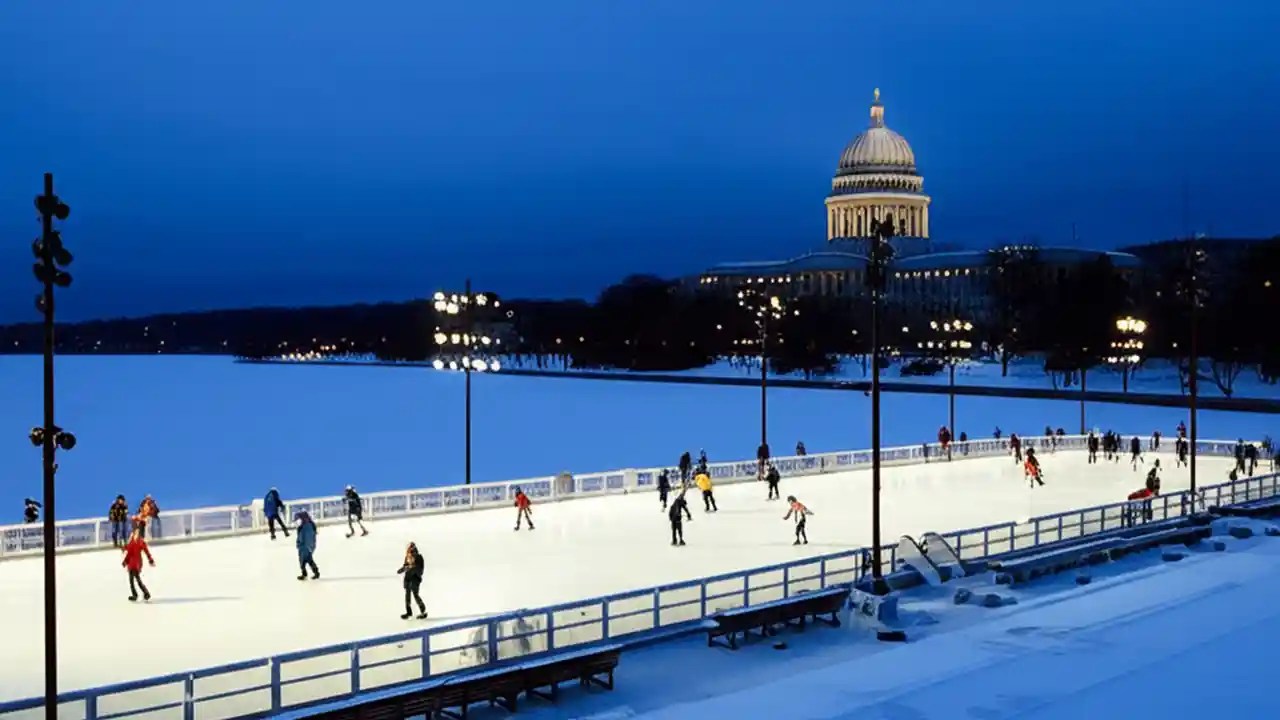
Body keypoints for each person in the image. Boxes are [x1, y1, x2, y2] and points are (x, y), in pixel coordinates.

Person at [121, 529, 155, 602]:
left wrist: (125, 561)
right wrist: (124, 548)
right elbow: (128, 548)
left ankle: (143, 594)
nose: (135, 534)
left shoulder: (139, 542)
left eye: (137, 533)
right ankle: (140, 594)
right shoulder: (134, 541)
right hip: (133, 563)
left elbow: (146, 551)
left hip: (135, 563)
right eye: (135, 533)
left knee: (136, 579)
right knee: (133, 580)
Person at [397, 542, 428, 619]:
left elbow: (420, 570)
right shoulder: (407, 556)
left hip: (415, 579)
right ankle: (408, 612)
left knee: (415, 594)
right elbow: (405, 566)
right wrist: (403, 569)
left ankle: (423, 611)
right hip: (408, 578)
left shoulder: (419, 557)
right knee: (407, 596)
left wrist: (412, 568)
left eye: (411, 549)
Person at [295, 511, 319, 580]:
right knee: (308, 560)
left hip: (305, 547)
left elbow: (305, 537)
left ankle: (305, 574)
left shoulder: (306, 527)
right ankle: (315, 572)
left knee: (303, 561)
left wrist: (300, 544)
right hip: (306, 546)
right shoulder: (308, 525)